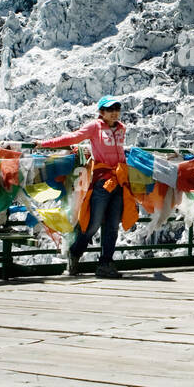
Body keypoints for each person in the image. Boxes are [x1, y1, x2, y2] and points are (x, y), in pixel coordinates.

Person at [36, 96, 134, 279]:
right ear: (101, 112)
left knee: (113, 225)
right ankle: (75, 253)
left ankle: (105, 263)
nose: (114, 112)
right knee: (92, 223)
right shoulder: (94, 127)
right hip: (101, 180)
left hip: (119, 180)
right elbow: (74, 137)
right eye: (110, 109)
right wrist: (44, 144)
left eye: (117, 108)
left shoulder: (121, 129)